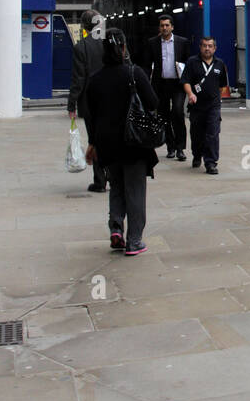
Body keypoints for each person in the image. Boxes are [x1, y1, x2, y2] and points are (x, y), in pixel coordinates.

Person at [85, 28, 158, 256]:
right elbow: (153, 102)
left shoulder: (95, 80)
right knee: (135, 191)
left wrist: (92, 143)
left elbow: (91, 115)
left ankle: (116, 228)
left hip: (107, 144)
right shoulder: (135, 73)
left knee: (116, 186)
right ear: (124, 48)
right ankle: (134, 241)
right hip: (133, 142)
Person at [140, 14, 189, 161]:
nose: (165, 28)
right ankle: (171, 147)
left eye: (167, 25)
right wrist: (146, 84)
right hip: (160, 84)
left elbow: (188, 63)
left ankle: (181, 148)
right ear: (159, 27)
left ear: (172, 27)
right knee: (164, 116)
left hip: (177, 84)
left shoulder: (182, 42)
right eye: (162, 25)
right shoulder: (152, 43)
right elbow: (147, 65)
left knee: (178, 112)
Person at [68, 10, 106, 192]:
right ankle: (114, 176)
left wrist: (71, 103)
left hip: (90, 102)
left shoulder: (80, 47)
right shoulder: (109, 43)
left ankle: (100, 180)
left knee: (95, 139)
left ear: (83, 26)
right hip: (111, 99)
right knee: (110, 138)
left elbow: (79, 78)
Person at [183, 35, 229, 175]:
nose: (207, 48)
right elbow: (186, 81)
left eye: (210, 46)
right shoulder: (192, 62)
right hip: (197, 106)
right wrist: (191, 94)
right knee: (197, 134)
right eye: (204, 46)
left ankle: (211, 163)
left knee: (213, 133)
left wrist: (216, 99)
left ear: (215, 48)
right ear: (200, 47)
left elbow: (222, 86)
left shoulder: (220, 64)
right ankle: (197, 154)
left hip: (213, 106)